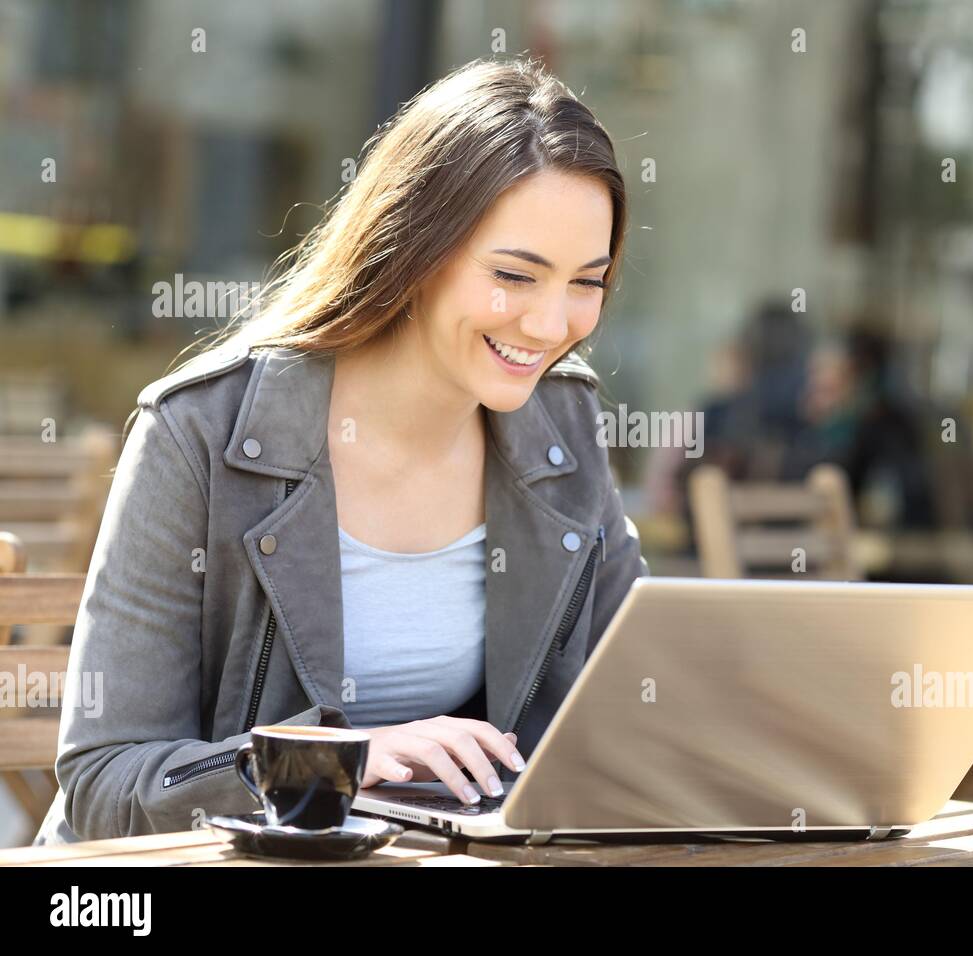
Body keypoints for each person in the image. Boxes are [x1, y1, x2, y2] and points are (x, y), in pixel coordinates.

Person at [35, 57, 647, 844]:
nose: (550, 324)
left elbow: (635, 691)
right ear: (416, 248)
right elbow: (105, 780)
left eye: (585, 283)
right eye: (514, 276)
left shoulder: (560, 424)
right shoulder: (200, 433)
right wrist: (340, 762)